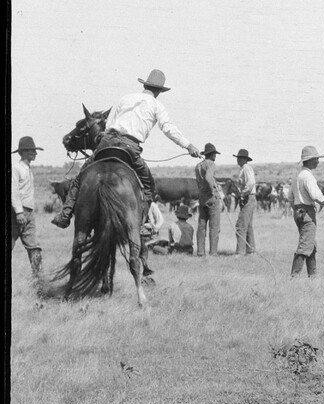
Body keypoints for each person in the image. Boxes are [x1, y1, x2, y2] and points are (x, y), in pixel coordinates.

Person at [52, 69, 202, 228]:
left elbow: (109, 125)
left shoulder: (125, 98)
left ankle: (66, 213)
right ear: (159, 91)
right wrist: (188, 146)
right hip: (130, 148)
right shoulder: (157, 105)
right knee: (148, 185)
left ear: (144, 85)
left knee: (81, 175)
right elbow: (168, 128)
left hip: (107, 142)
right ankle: (145, 224)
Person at [291, 145, 324, 278]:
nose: (318, 161)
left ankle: (313, 277)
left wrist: (297, 210)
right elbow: (316, 197)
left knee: (311, 245)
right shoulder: (307, 176)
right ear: (309, 160)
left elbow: (290, 197)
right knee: (305, 246)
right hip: (307, 213)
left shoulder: (296, 175)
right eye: (316, 159)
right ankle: (293, 278)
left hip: (298, 212)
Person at [10, 136, 45, 280]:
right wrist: (19, 212)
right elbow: (13, 191)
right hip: (17, 214)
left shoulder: (28, 170)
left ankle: (38, 282)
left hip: (28, 214)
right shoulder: (15, 169)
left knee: (34, 247)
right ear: (23, 152)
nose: (35, 153)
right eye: (32, 151)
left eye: (35, 151)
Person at [193, 143, 222, 257]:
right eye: (215, 154)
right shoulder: (211, 164)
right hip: (211, 197)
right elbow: (209, 178)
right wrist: (214, 190)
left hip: (201, 197)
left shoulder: (198, 166)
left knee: (201, 225)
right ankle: (213, 252)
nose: (215, 156)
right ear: (212, 154)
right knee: (214, 227)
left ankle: (200, 252)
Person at [233, 148, 256, 256]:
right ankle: (251, 251)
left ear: (243, 159)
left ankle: (240, 252)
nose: (237, 160)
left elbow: (250, 183)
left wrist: (243, 194)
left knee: (240, 226)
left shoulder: (246, 169)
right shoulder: (245, 169)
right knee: (248, 226)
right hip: (249, 198)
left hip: (248, 198)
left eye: (239, 158)